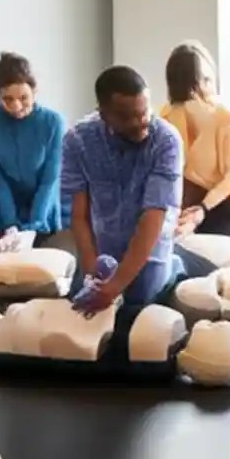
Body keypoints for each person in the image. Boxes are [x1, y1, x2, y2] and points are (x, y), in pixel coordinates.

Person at [63, 66, 185, 351]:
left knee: (137, 316)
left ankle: (178, 267)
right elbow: (79, 215)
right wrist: (92, 269)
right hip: (103, 249)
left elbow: (152, 218)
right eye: (128, 117)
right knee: (81, 320)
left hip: (150, 253)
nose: (141, 122)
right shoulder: (78, 141)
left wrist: (119, 284)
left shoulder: (166, 141)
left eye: (144, 112)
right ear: (104, 114)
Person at [161, 41, 230, 271]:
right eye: (204, 80)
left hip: (208, 210)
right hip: (188, 213)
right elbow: (229, 177)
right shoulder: (174, 118)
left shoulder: (167, 116)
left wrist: (201, 210)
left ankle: (228, 264)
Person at [0, 52, 67, 247]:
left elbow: (50, 180)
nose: (16, 106)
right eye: (7, 99)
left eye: (24, 98)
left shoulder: (52, 122)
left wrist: (33, 227)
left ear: (35, 90)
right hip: (3, 216)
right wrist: (10, 226)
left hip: (44, 217)